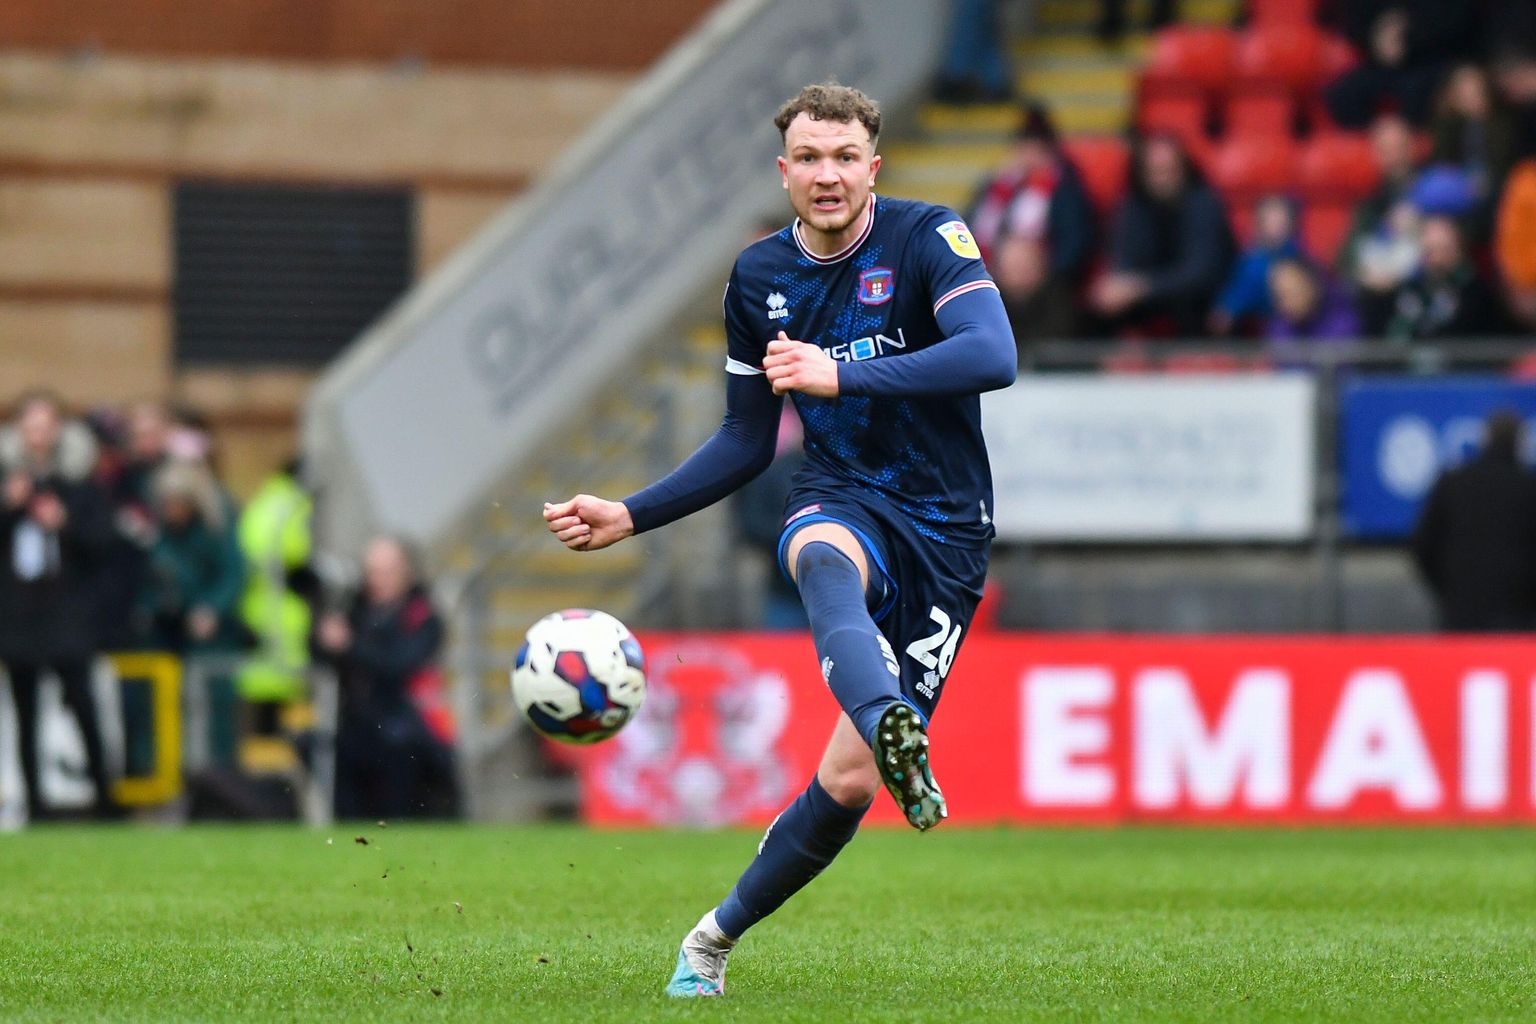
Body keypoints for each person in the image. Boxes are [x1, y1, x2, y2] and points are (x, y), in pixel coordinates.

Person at [541, 83, 1016, 998]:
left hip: (948, 528)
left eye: (845, 158)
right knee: (820, 555)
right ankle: (890, 719)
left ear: (874, 167)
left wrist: (841, 374)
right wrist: (631, 513)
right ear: (784, 170)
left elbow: (992, 356)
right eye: (810, 158)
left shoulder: (928, 238)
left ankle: (710, 939)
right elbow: (746, 440)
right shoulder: (758, 277)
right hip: (840, 494)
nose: (828, 175)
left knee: (847, 784)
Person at [0, 391, 117, 820]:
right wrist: (10, 508)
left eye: (45, 427)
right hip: (17, 615)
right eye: (30, 427)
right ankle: (34, 801)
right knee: (24, 709)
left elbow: (103, 546)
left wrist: (63, 523)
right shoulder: (8, 482)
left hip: (65, 613)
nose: (38, 436)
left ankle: (105, 796)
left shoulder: (79, 487)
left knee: (83, 702)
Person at [314, 536, 458, 820]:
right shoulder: (353, 609)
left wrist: (349, 646)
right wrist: (323, 638)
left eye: (385, 572)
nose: (376, 580)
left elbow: (401, 664)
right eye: (371, 572)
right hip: (356, 727)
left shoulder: (422, 615)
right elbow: (321, 655)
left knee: (400, 803)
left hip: (408, 729)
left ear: (406, 571)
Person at [1091, 132, 1235, 336]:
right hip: (1153, 296)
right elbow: (1124, 259)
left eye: (1169, 170)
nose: (1162, 178)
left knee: (1191, 306)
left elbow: (1201, 274)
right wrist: (1119, 287)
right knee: (1100, 307)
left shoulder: (1204, 204)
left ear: (1183, 169)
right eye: (1155, 171)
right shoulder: (1134, 205)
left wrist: (1141, 287)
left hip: (1200, 300)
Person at [1412, 410, 1536, 631]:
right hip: (1518, 618)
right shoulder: (1529, 488)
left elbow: (1423, 547)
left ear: (1485, 439)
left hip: (1460, 614)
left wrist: (1449, 589)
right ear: (1520, 443)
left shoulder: (1452, 483)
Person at [964, 102, 1095, 282]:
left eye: (1036, 149)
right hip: (995, 276)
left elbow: (1075, 243)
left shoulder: (1064, 189)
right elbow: (971, 226)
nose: (1030, 157)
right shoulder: (1000, 185)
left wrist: (1040, 270)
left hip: (1046, 282)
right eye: (1024, 148)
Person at [1386, 215, 1505, 340]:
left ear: (1458, 249)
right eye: (1430, 251)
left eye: (1444, 250)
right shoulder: (1411, 288)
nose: (1436, 259)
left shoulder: (1476, 292)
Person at [1210, 194, 1306, 336]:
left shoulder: (1299, 258)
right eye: (1270, 220)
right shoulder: (1250, 260)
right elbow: (1238, 290)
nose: (1275, 226)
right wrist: (1227, 308)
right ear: (1260, 223)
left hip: (1290, 324)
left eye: (1280, 220)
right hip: (1254, 325)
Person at [1264, 258, 1362, 343]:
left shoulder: (1343, 321)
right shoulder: (1278, 326)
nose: (1287, 303)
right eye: (1280, 297)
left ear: (1312, 287)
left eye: (1293, 293)